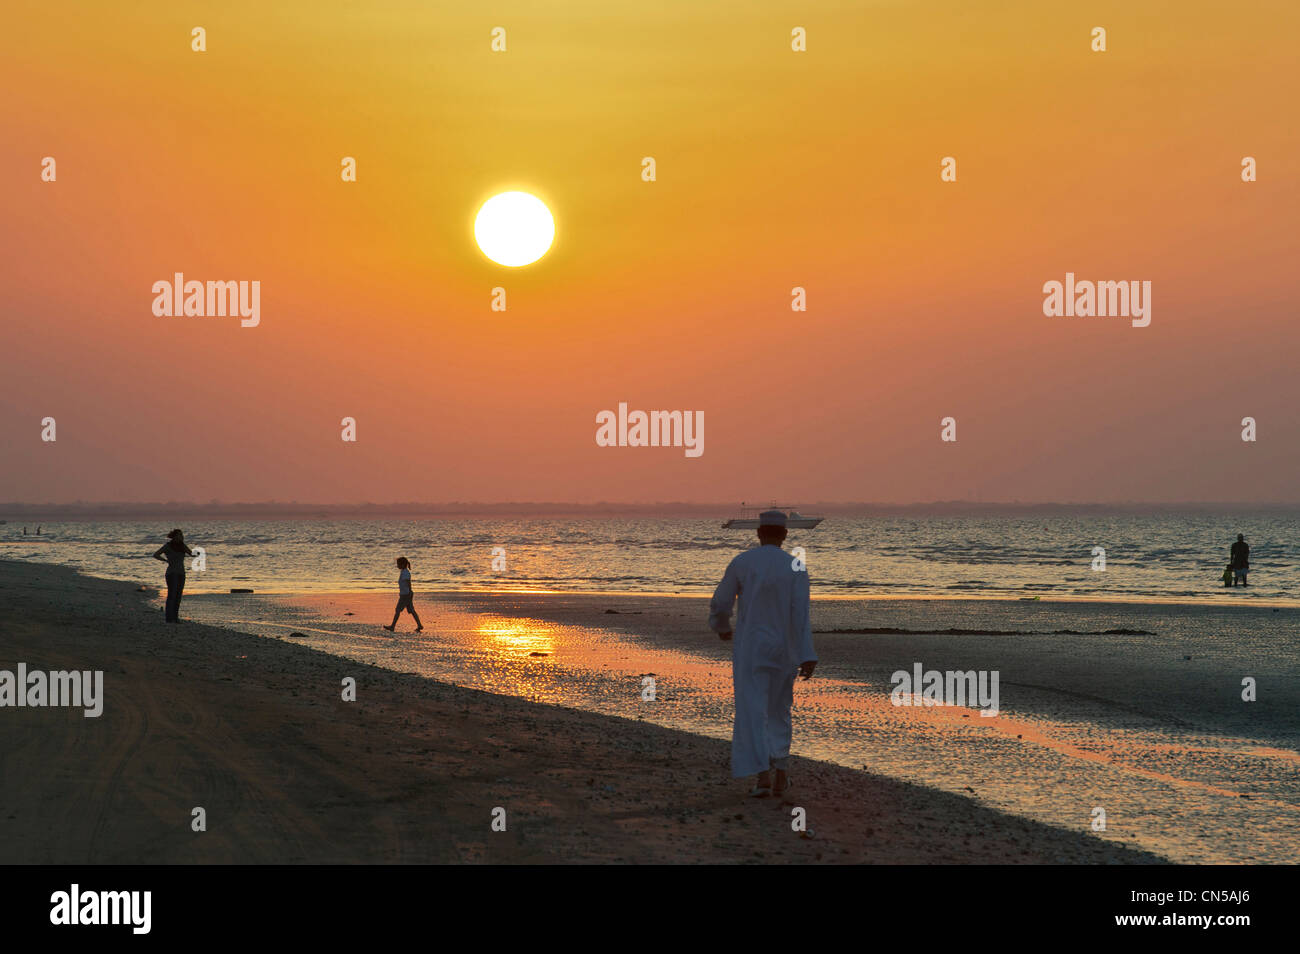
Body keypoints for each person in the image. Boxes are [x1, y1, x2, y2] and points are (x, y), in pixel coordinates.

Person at [708, 510, 817, 798]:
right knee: (780, 710)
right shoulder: (795, 566)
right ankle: (781, 774)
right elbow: (801, 615)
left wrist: (721, 627)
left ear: (758, 533)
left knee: (753, 710)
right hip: (785, 649)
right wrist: (807, 653)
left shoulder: (743, 562)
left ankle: (762, 778)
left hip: (751, 648)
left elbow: (721, 602)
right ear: (785, 535)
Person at [152, 528, 193, 623]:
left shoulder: (182, 546)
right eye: (179, 535)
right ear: (174, 537)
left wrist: (199, 553)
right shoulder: (168, 546)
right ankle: (169, 618)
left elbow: (191, 554)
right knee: (172, 595)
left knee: (178, 596)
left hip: (181, 573)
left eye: (182, 535)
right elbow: (156, 554)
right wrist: (165, 560)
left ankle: (175, 617)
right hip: (171, 573)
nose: (181, 537)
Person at [383, 557, 423, 632]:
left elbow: (408, 583)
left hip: (405, 595)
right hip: (405, 594)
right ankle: (419, 625)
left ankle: (392, 626)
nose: (397, 565)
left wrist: (410, 592)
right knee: (411, 610)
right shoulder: (404, 572)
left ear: (402, 564)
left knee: (398, 610)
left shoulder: (405, 573)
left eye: (398, 564)